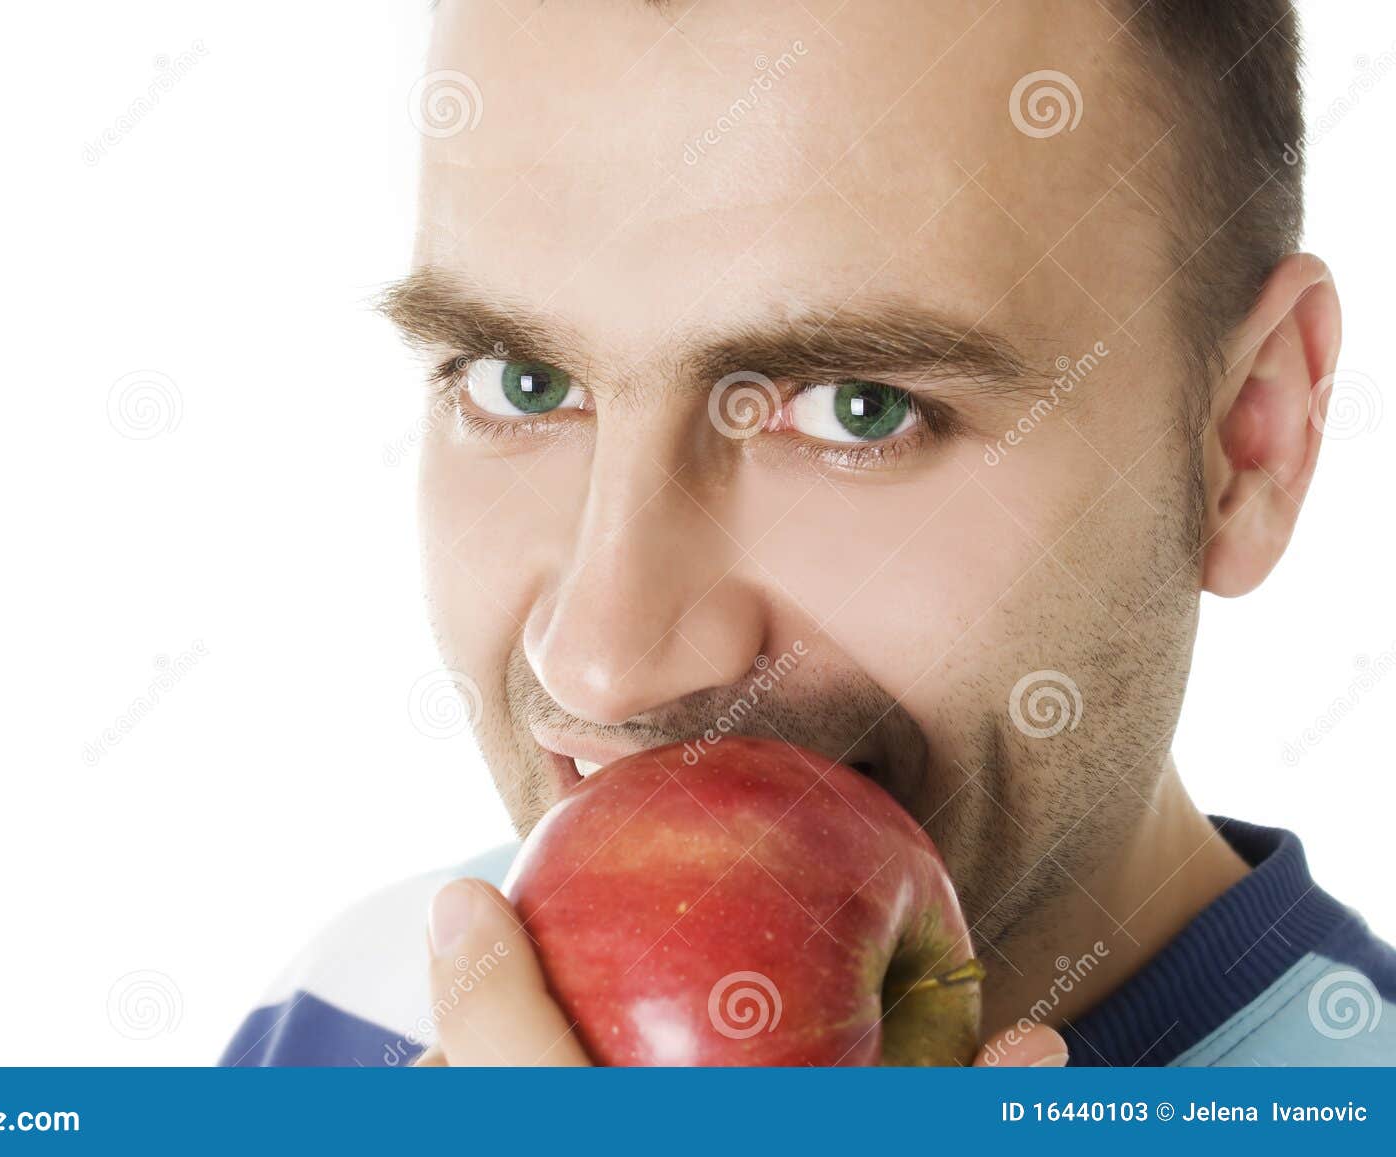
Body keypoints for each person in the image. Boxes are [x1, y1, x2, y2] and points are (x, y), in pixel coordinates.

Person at [225, 0, 1395, 1067]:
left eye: (857, 407)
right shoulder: (341, 1020)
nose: (599, 657)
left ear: (1249, 445)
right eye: (519, 382)